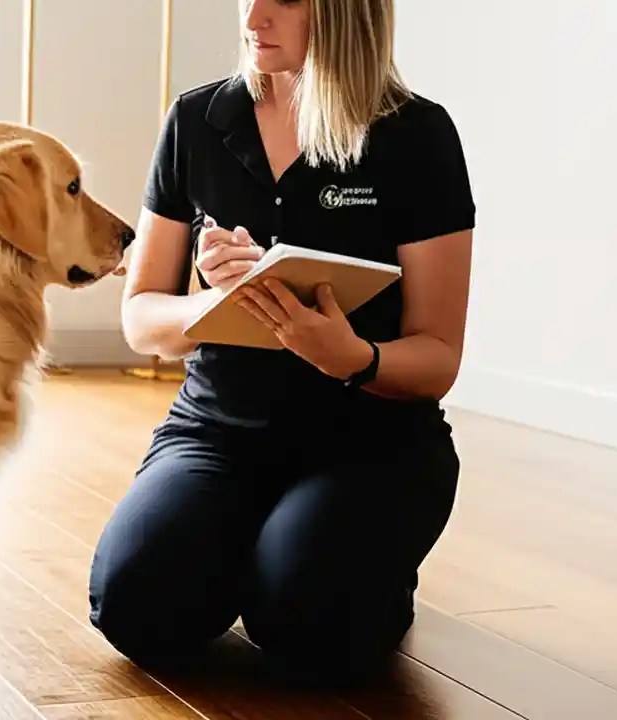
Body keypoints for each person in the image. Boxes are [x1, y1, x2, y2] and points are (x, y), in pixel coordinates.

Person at [87, 0, 475, 681]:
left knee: (311, 629)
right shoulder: (197, 120)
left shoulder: (418, 135)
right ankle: (262, 546)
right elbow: (141, 316)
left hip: (371, 441)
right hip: (218, 434)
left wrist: (350, 356)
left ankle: (325, 560)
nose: (253, 16)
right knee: (135, 607)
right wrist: (213, 302)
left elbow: (437, 356)